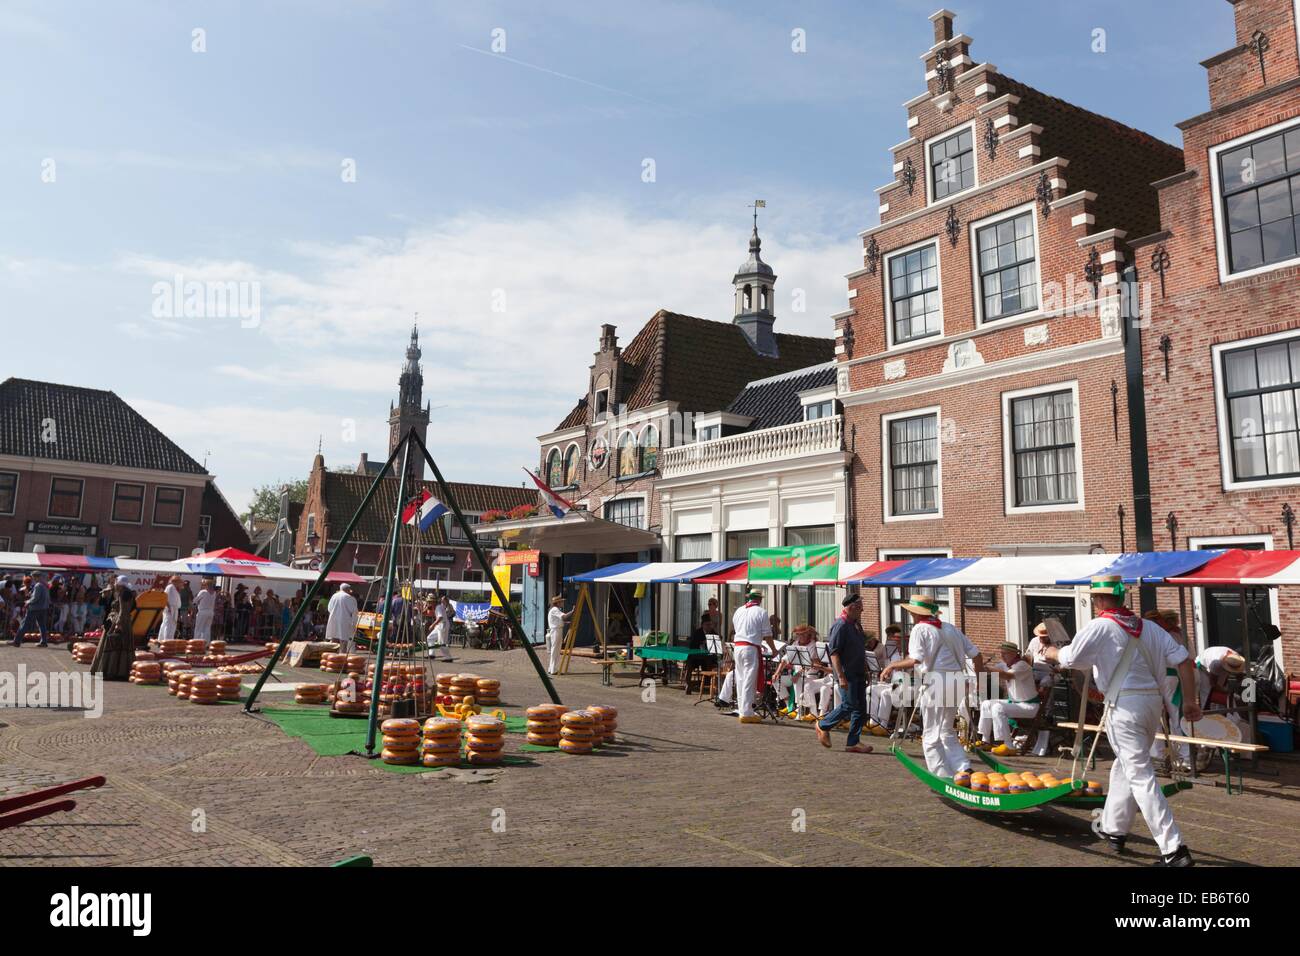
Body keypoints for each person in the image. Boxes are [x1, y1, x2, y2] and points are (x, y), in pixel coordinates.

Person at [1043, 575, 1199, 867]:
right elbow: (1184, 661)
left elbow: (1071, 657)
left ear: (1099, 600)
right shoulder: (1151, 627)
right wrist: (1190, 701)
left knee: (1140, 774)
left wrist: (1052, 653)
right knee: (1125, 766)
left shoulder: (1100, 625)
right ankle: (1114, 829)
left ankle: (1174, 850)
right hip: (1151, 704)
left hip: (1124, 704)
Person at [881, 594, 983, 778]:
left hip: (936, 681)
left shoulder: (920, 629)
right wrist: (980, 679)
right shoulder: (952, 628)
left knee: (930, 733)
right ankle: (963, 767)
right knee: (946, 729)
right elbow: (977, 655)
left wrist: (891, 665)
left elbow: (915, 660)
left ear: (916, 613)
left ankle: (941, 775)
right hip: (957, 681)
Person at [812, 593, 873, 752]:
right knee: (849, 705)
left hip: (859, 672)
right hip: (847, 673)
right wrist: (841, 676)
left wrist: (866, 668)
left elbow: (860, 649)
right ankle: (822, 724)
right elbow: (834, 653)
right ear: (851, 607)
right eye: (860, 607)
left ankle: (853, 742)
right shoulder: (841, 625)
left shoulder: (856, 624)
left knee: (860, 708)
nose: (862, 609)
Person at [976, 642, 1041, 755]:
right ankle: (985, 741)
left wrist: (987, 669)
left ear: (1014, 654)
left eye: (1005, 653)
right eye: (1001, 653)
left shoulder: (1022, 665)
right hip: (1016, 704)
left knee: (998, 708)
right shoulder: (1005, 665)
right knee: (987, 703)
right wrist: (978, 668)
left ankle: (1008, 746)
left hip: (1029, 706)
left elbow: (1007, 675)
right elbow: (990, 672)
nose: (1002, 656)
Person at [1145, 610, 1190, 770]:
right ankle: (1184, 757)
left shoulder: (1153, 634)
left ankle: (1159, 756)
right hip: (1169, 677)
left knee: (1160, 718)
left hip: (1159, 677)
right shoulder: (1175, 634)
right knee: (1175, 717)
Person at [729, 589, 777, 724]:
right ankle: (747, 711)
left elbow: (741, 631)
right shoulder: (761, 612)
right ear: (760, 599)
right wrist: (773, 649)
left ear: (749, 598)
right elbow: (767, 635)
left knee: (740, 678)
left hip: (738, 647)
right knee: (749, 679)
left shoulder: (739, 610)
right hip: (750, 649)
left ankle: (742, 708)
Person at [90, 576, 135, 681]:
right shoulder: (128, 593)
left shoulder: (123, 594)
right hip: (126, 622)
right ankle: (122, 671)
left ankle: (110, 671)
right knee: (122, 646)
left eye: (116, 582)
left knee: (111, 644)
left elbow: (123, 610)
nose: (114, 584)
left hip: (118, 621)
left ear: (120, 584)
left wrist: (118, 623)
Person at [1193, 645, 1246, 710]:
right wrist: (1226, 691)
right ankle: (1207, 712)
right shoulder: (1216, 663)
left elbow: (1240, 676)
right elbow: (1213, 683)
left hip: (1219, 664)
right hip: (1202, 666)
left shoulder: (1237, 660)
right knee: (1207, 693)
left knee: (1223, 686)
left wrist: (1239, 686)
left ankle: (1221, 711)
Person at [13, 570, 51, 647]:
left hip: (34, 609)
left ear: (36, 577)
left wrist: (28, 602)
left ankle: (17, 641)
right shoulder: (45, 585)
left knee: (24, 624)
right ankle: (44, 642)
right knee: (42, 625)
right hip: (43, 608)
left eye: (33, 577)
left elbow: (35, 598)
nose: (33, 578)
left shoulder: (38, 585)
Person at [325, 583, 359, 651]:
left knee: (334, 638)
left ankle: (332, 655)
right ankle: (342, 656)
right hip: (345, 621)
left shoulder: (334, 596)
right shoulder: (349, 598)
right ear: (347, 589)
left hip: (333, 619)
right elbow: (354, 611)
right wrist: (354, 623)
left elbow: (329, 608)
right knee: (343, 639)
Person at [546, 595, 573, 675]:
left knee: (555, 650)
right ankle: (553, 669)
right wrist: (572, 611)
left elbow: (559, 620)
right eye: (561, 602)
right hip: (556, 631)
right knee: (555, 651)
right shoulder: (555, 609)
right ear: (557, 603)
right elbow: (564, 617)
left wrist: (564, 623)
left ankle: (551, 668)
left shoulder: (555, 610)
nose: (562, 603)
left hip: (556, 630)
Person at [427, 593, 455, 661]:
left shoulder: (438, 607)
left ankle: (448, 657)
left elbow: (440, 617)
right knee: (430, 638)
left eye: (430, 602)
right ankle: (432, 654)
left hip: (443, 625)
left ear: (434, 601)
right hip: (439, 625)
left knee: (441, 643)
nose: (429, 603)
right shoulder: (437, 607)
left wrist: (432, 625)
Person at [158, 576, 182, 642]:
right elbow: (165, 597)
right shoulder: (170, 587)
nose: (180, 583)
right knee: (168, 625)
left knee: (169, 624)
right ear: (175, 581)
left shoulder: (174, 588)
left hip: (174, 608)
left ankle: (163, 639)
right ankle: (167, 640)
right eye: (179, 582)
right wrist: (168, 607)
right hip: (170, 609)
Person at [193, 579, 216, 646]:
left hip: (203, 611)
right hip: (210, 612)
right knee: (207, 628)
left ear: (206, 585)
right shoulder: (214, 593)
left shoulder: (203, 592)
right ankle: (206, 644)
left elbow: (195, 600)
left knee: (198, 628)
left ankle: (196, 643)